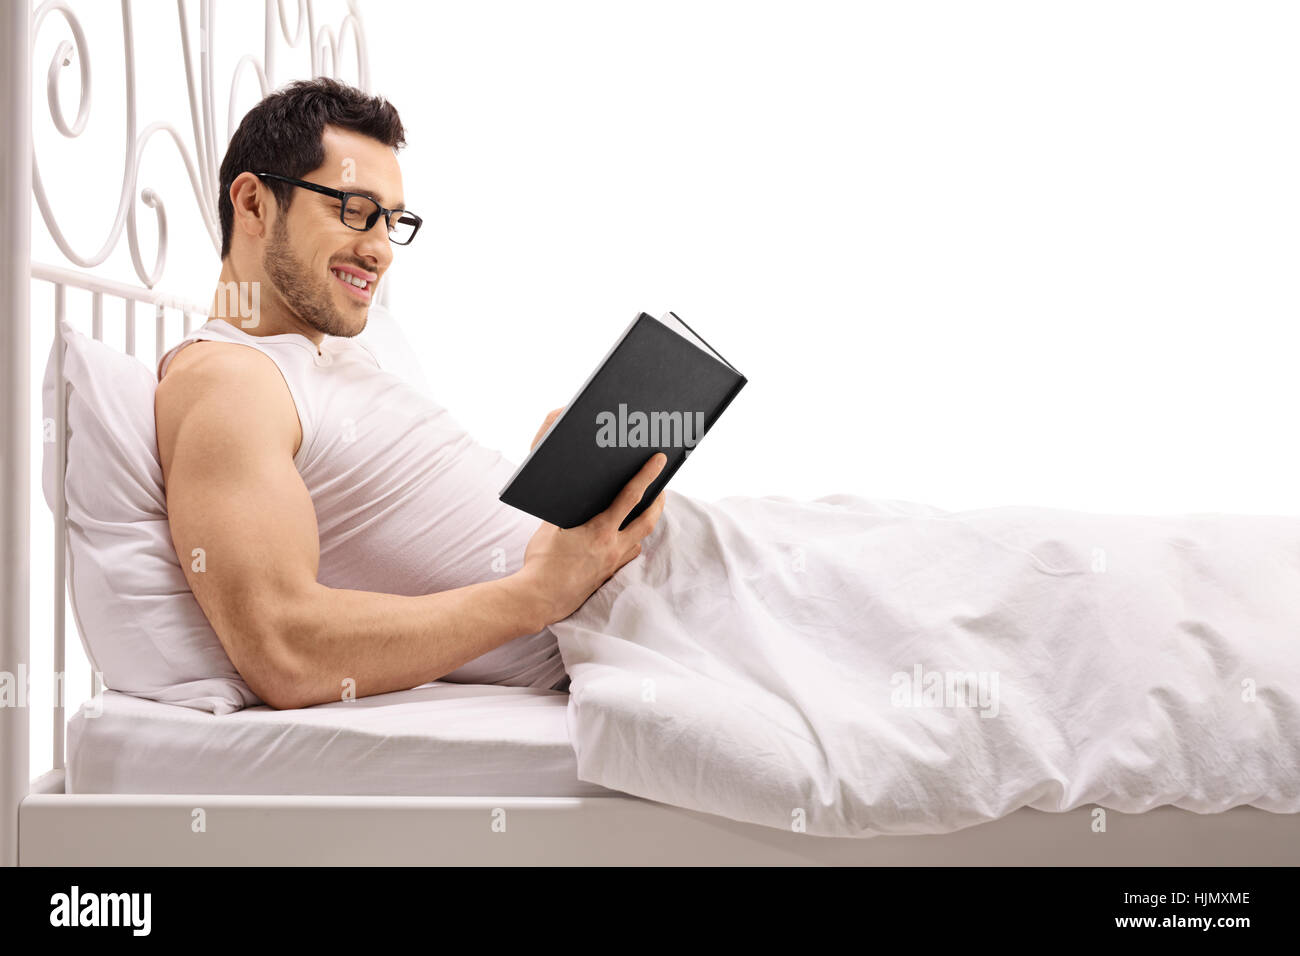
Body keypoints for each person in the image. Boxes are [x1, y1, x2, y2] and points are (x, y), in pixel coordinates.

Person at [154, 78, 666, 710]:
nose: (379, 250)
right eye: (354, 210)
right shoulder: (229, 380)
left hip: (666, 582)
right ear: (254, 204)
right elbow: (284, 648)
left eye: (392, 222)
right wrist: (539, 595)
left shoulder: (334, 354)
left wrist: (562, 483)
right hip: (649, 625)